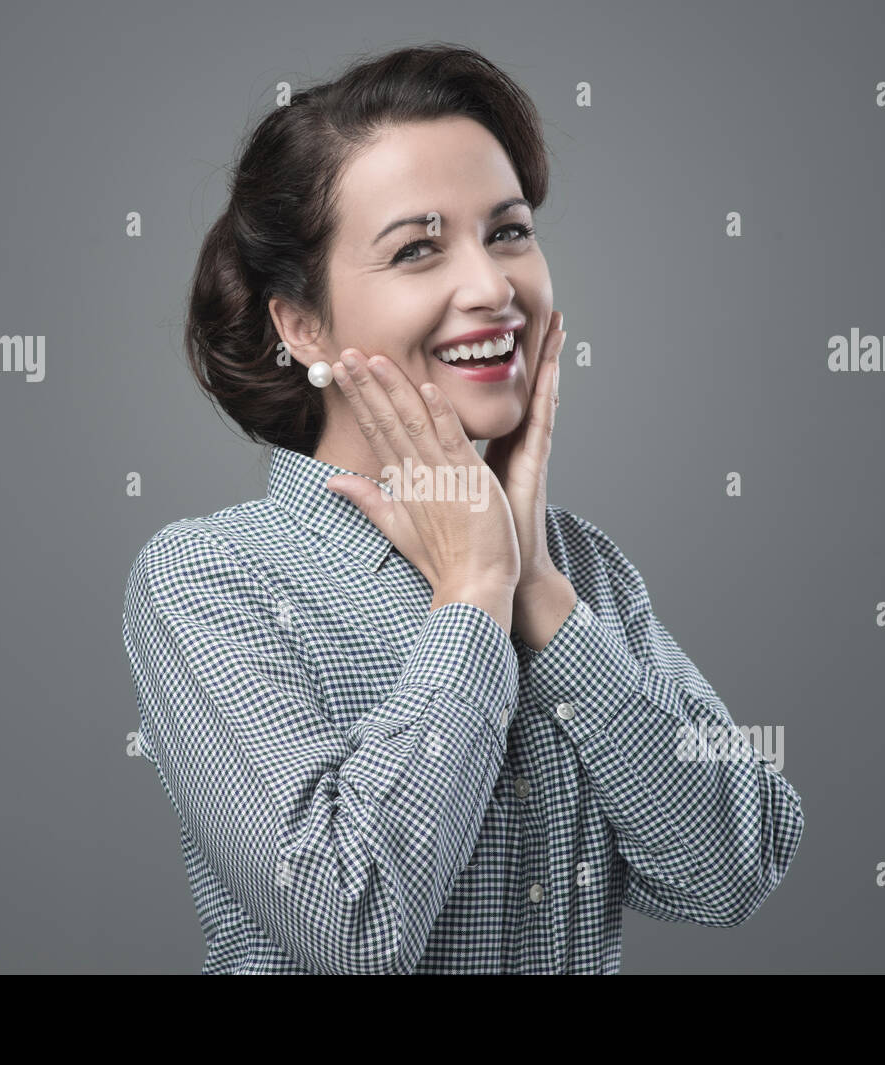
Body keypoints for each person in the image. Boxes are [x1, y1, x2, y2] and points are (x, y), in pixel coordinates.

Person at [121, 43, 804, 974]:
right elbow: (352, 922)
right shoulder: (212, 579)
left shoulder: (581, 572)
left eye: (511, 231)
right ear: (302, 324)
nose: (491, 289)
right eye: (416, 249)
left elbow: (736, 868)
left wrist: (541, 598)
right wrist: (475, 590)